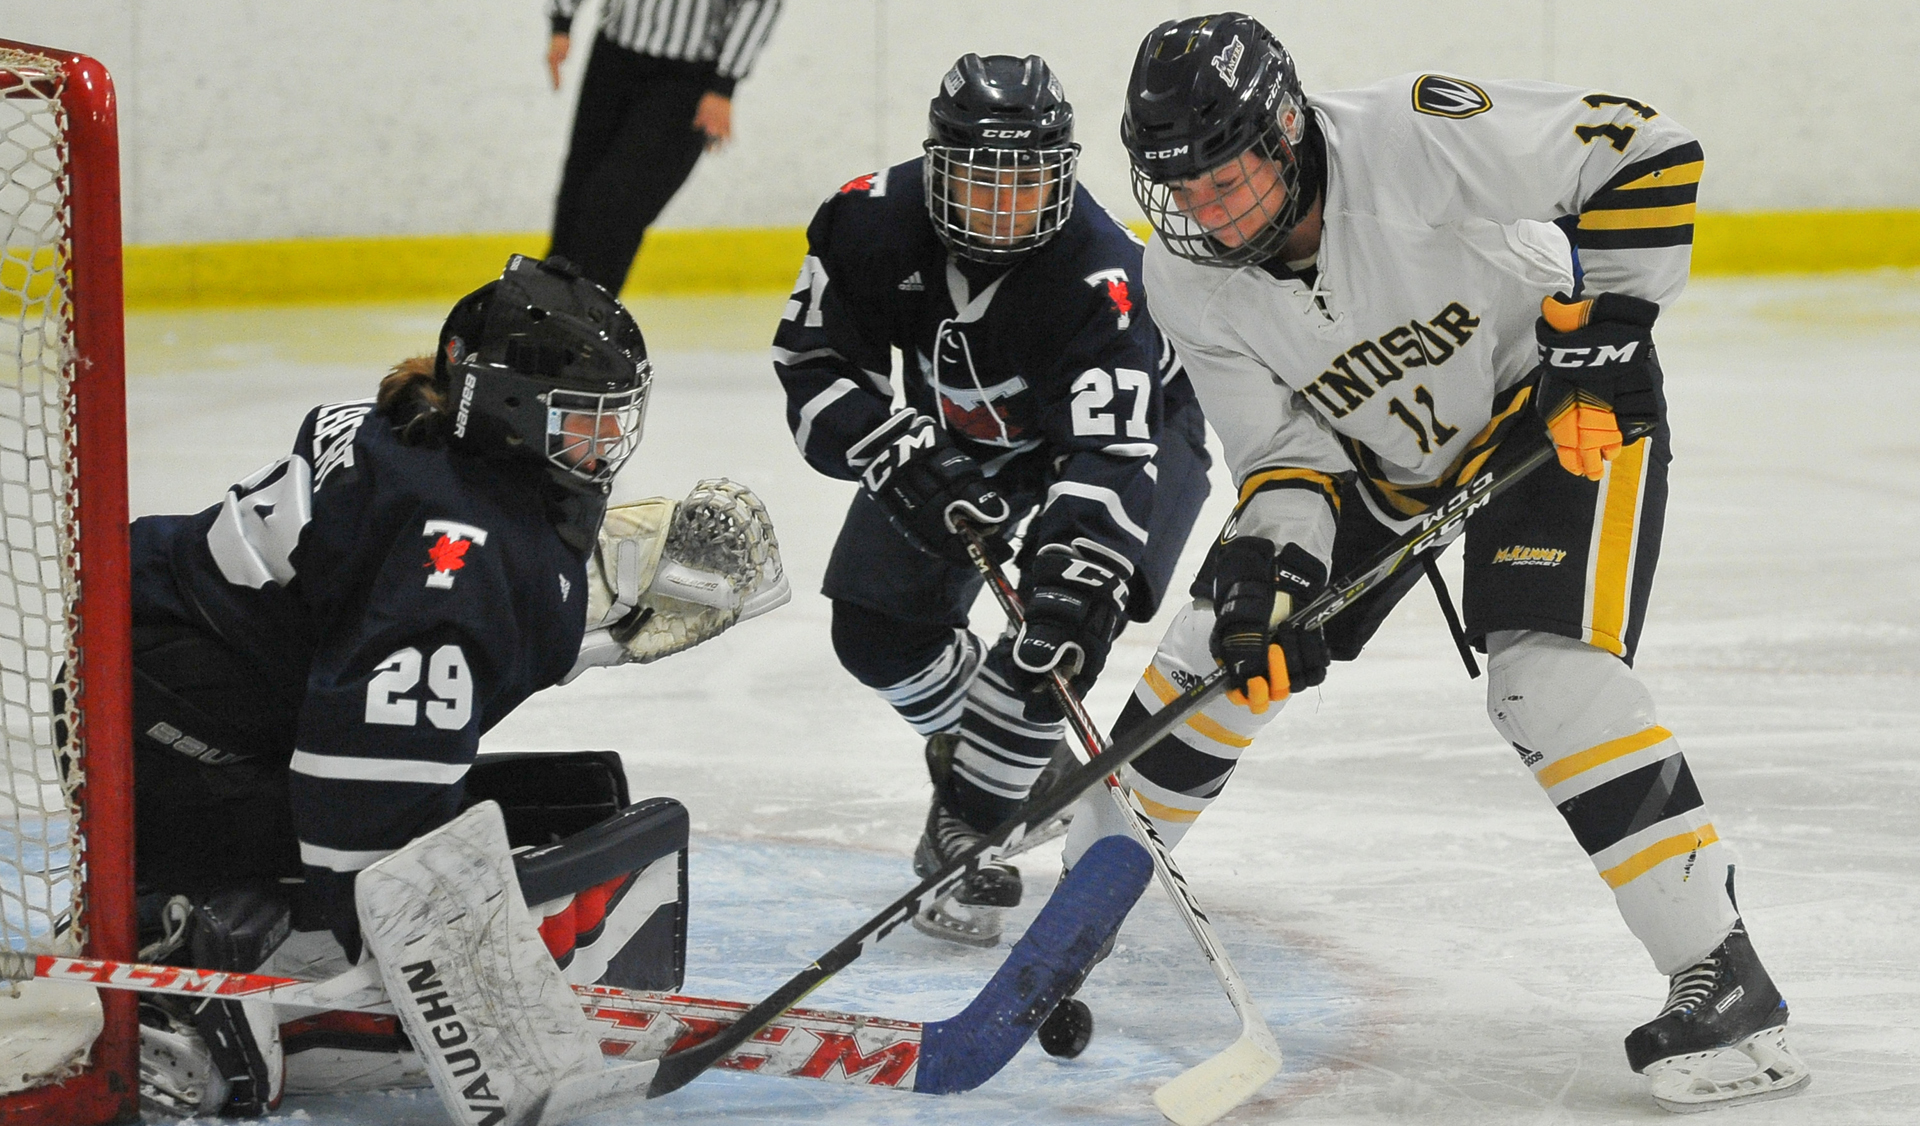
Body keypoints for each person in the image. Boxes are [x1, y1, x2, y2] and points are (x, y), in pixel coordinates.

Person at [1058, 12, 1808, 1113]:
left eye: (1225, 179)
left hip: (1550, 412)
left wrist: (1605, 330)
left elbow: (1649, 147)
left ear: (1282, 132)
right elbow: (1284, 450)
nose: (1205, 214)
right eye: (1183, 191)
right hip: (1370, 457)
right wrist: (1273, 578)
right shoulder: (1187, 276)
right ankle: (1071, 920)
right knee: (1214, 651)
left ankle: (1726, 975)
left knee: (1545, 679)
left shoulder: (1415, 137)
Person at [124, 255, 785, 1115]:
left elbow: (393, 623)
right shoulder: (455, 545)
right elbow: (362, 767)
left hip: (149, 667)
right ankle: (192, 971)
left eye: (615, 419)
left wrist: (589, 630)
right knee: (375, 860)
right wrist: (410, 960)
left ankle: (201, 906)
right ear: (512, 411)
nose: (607, 445)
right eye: (584, 421)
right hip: (155, 724)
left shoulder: (429, 443)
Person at [772, 54, 1213, 946]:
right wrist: (890, 446)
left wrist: (1072, 578)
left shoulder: (1101, 280)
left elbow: (1110, 453)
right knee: (875, 632)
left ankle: (965, 823)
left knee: (1058, 630)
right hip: (963, 436)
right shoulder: (868, 222)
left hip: (1132, 436)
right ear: (937, 167)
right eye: (981, 182)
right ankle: (1012, 759)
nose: (1004, 208)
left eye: (1027, 184)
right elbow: (814, 367)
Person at [545, 0, 785, 294]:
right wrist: (562, 20)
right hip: (612, 53)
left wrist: (724, 85)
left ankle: (585, 323)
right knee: (576, 195)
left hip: (688, 75)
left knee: (617, 204)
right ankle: (543, 316)